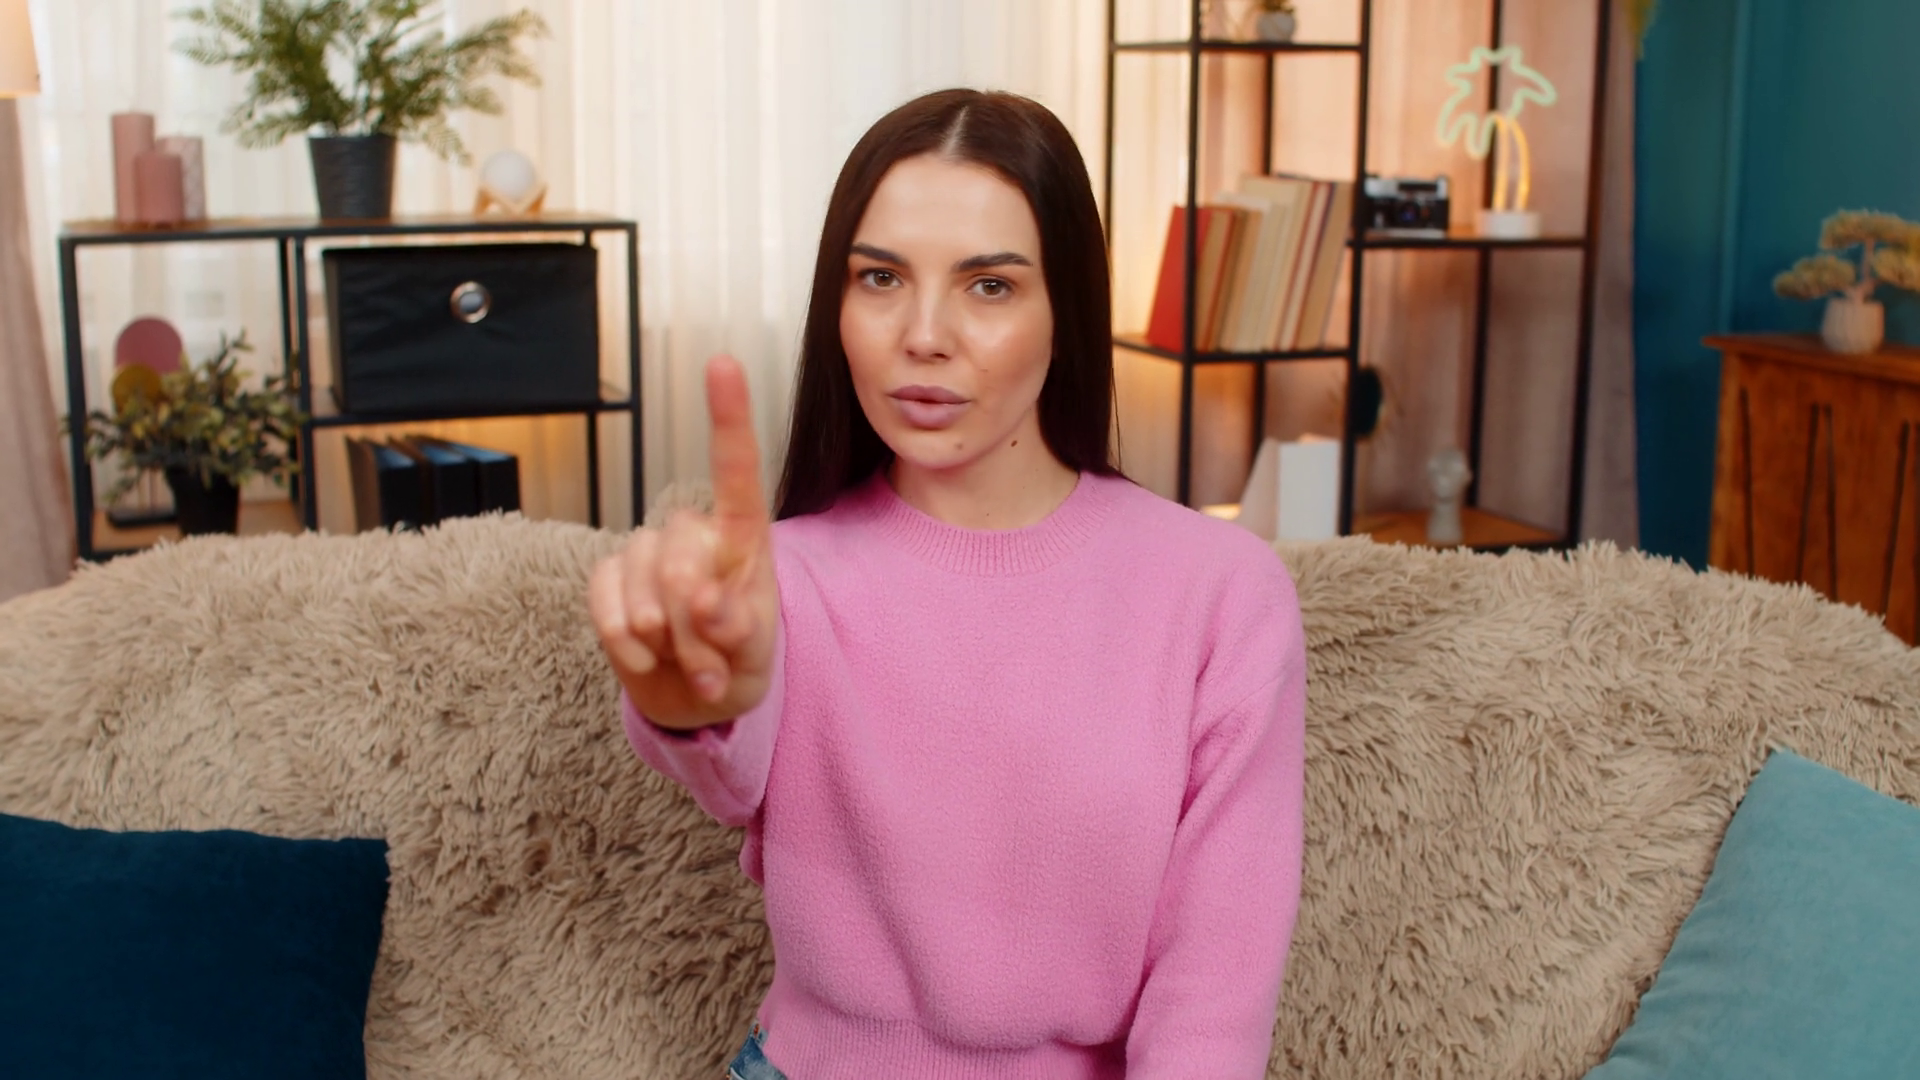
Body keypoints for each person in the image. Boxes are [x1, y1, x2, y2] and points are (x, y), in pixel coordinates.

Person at [588, 87, 1307, 1080]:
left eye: (990, 286)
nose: (923, 334)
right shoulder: (780, 580)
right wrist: (683, 703)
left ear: (1068, 312)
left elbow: (1213, 1002)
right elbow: (726, 754)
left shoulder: (1223, 592)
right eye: (880, 277)